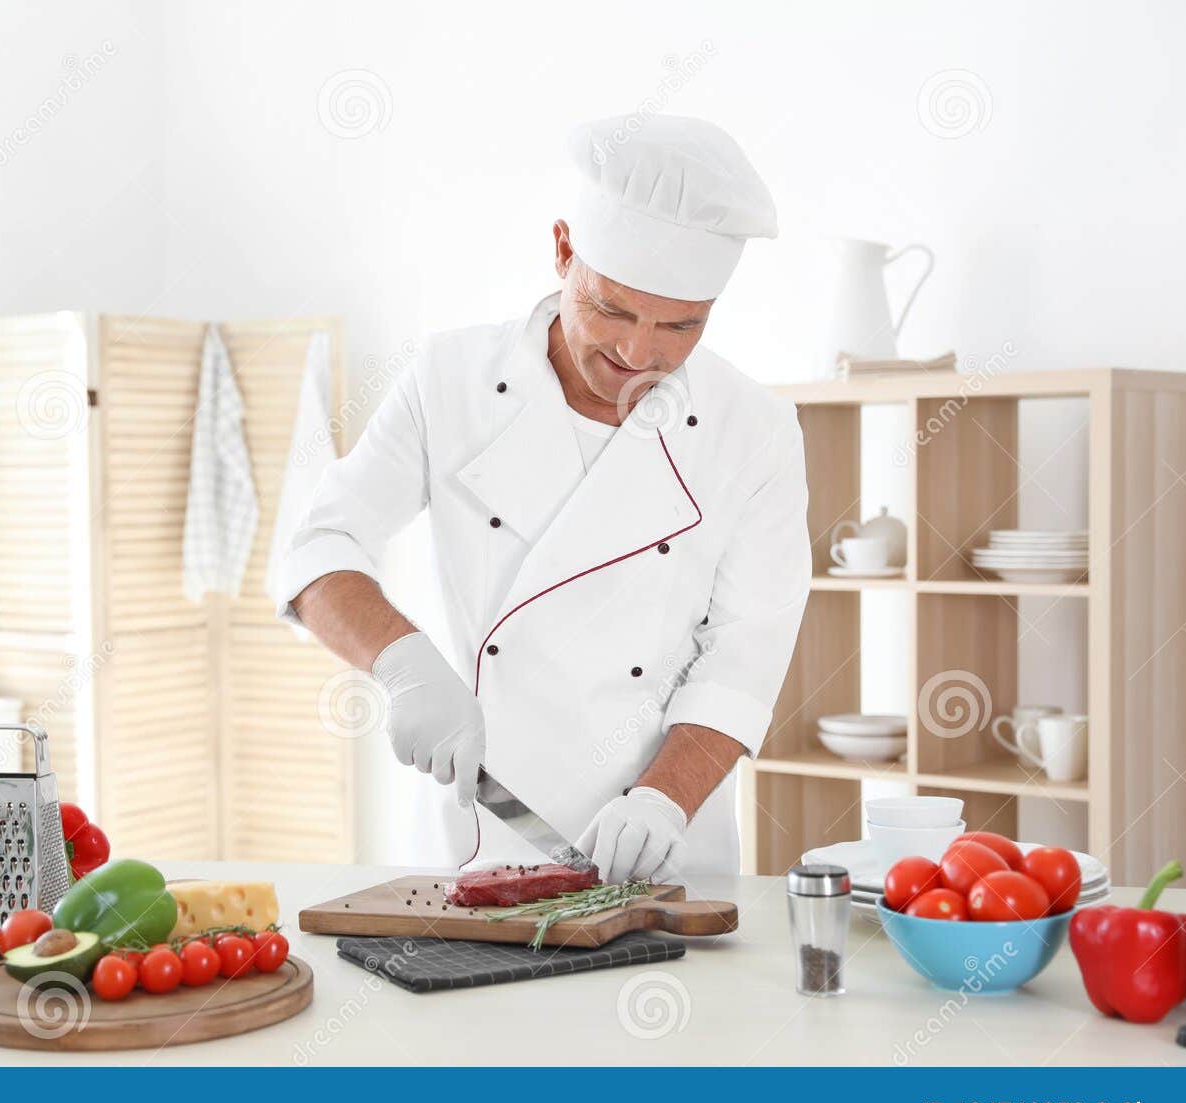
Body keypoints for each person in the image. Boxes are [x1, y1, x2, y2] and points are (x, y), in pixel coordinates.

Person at [278, 114, 810, 882]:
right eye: (615, 310)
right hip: (482, 850)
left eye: (681, 325)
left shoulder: (752, 431)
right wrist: (401, 661)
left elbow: (744, 655)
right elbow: (318, 545)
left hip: (663, 852)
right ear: (563, 250)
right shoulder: (448, 380)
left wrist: (661, 800)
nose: (638, 354)